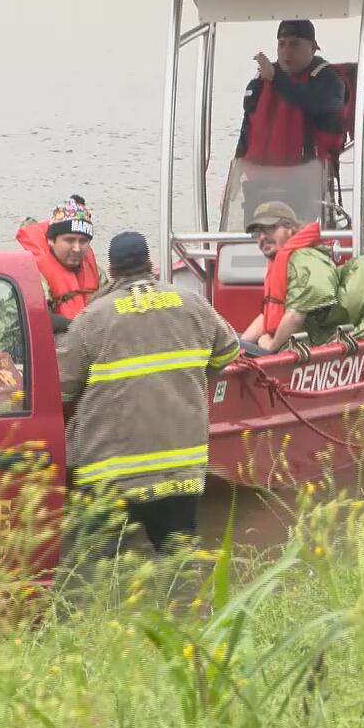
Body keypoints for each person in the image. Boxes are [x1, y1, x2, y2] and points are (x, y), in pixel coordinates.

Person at [59, 232, 240, 559]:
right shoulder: (192, 303)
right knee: (179, 562)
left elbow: (63, 388)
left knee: (100, 570)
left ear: (111, 272)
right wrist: (192, 379)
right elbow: (228, 352)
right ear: (151, 265)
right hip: (181, 472)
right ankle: (188, 609)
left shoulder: (91, 319)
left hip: (111, 477)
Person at [237, 201, 364, 355]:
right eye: (257, 233)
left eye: (270, 229)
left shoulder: (302, 259)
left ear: (289, 228)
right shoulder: (283, 262)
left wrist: (272, 345)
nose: (262, 237)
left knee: (286, 346)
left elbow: (296, 316)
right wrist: (241, 345)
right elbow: (268, 315)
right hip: (335, 321)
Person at [234, 19, 348, 219]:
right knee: (252, 244)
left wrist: (276, 80)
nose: (286, 52)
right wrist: (234, 177)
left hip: (305, 188)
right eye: (282, 44)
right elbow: (247, 131)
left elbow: (315, 102)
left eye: (294, 44)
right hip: (258, 187)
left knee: (297, 247)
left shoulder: (329, 81)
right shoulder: (260, 82)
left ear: (312, 47)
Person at [0, 196, 105, 359]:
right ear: (51, 241)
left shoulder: (95, 272)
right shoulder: (29, 274)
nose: (77, 248)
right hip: (15, 356)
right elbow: (32, 323)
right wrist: (79, 325)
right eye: (69, 240)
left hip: (73, 342)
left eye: (83, 241)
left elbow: (110, 305)